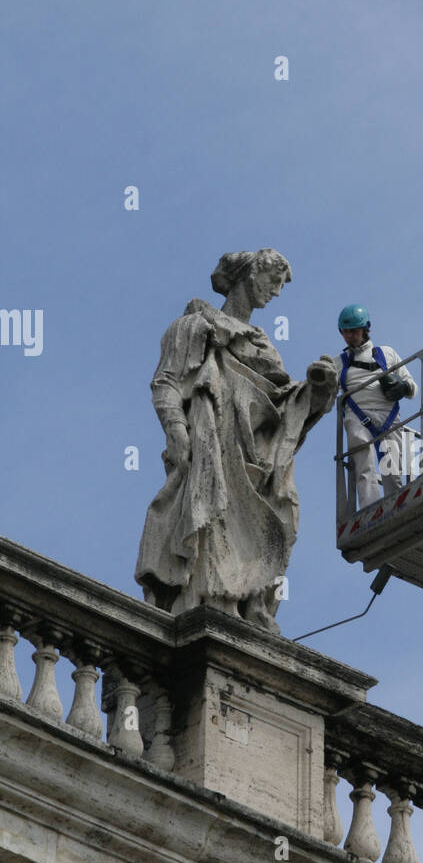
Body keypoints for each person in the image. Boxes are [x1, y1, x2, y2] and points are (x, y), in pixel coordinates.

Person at [135, 248, 338, 632]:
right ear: (248, 275)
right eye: (273, 281)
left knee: (271, 521)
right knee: (209, 518)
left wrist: (316, 392)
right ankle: (203, 602)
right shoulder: (195, 326)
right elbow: (165, 382)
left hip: (250, 460)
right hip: (210, 444)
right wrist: (176, 428)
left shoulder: (264, 348)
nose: (276, 293)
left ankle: (245, 606)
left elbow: (279, 410)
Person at [335, 305, 417, 510]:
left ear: (365, 329)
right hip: (357, 417)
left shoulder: (386, 354)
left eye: (353, 331)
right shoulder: (339, 363)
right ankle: (370, 510)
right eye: (345, 332)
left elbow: (412, 387)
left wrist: (402, 388)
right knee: (364, 468)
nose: (349, 336)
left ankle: (397, 505)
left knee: (393, 468)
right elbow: (322, 391)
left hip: (388, 416)